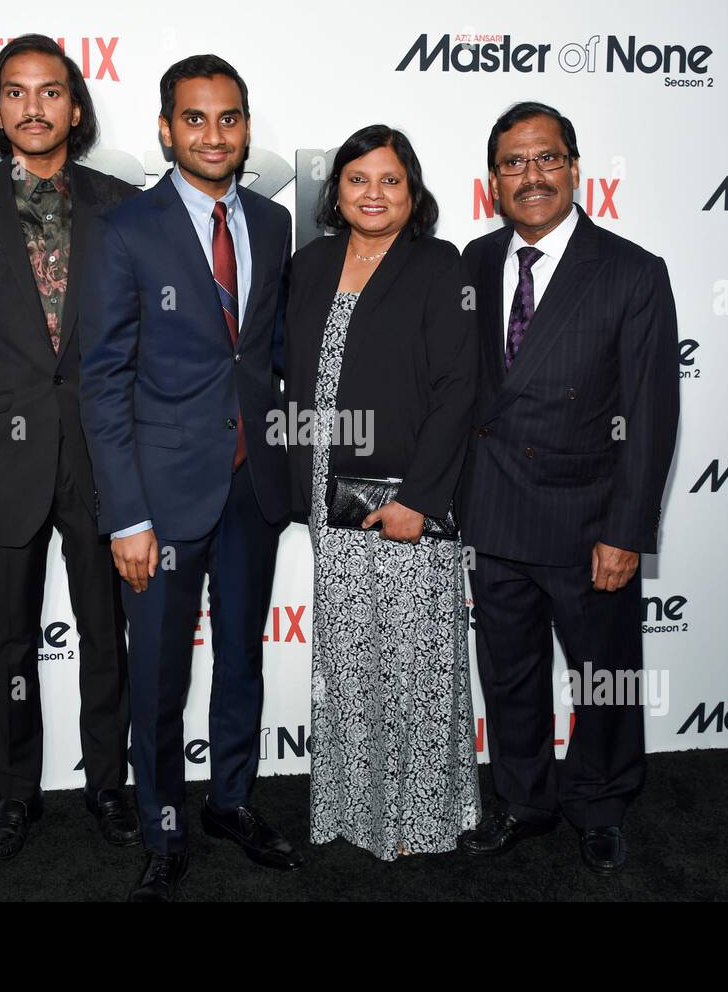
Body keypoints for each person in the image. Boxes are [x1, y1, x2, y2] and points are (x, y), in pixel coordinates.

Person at [77, 55, 299, 902]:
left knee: (242, 655)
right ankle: (165, 826)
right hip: (160, 498)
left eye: (230, 118)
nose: (215, 134)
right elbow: (102, 379)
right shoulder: (126, 229)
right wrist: (125, 515)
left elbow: (269, 355)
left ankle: (232, 803)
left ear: (247, 127)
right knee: (162, 674)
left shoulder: (275, 225)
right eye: (195, 119)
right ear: (166, 130)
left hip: (252, 488)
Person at [0, 34, 140, 861]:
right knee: (11, 638)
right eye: (15, 93)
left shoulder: (122, 204)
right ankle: (16, 794)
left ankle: (109, 787)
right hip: (2, 461)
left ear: (75, 108)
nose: (33, 107)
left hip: (98, 458)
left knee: (103, 630)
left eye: (50, 92)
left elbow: (140, 343)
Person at [456, 101, 679, 875]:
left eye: (546, 158)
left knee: (604, 677)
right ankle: (524, 800)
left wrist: (627, 530)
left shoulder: (631, 271)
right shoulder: (475, 262)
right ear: (493, 182)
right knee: (509, 675)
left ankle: (601, 801)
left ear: (575, 169)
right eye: (513, 164)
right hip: (493, 514)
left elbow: (650, 415)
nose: (532, 176)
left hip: (589, 523)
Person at [284, 125, 481, 861]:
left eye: (390, 180)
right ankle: (353, 809)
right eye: (358, 179)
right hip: (328, 502)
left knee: (414, 666)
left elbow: (459, 387)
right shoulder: (309, 266)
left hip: (405, 503)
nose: (374, 193)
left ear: (413, 191)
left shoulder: (439, 266)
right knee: (350, 665)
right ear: (336, 191)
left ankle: (422, 815)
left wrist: (422, 499)